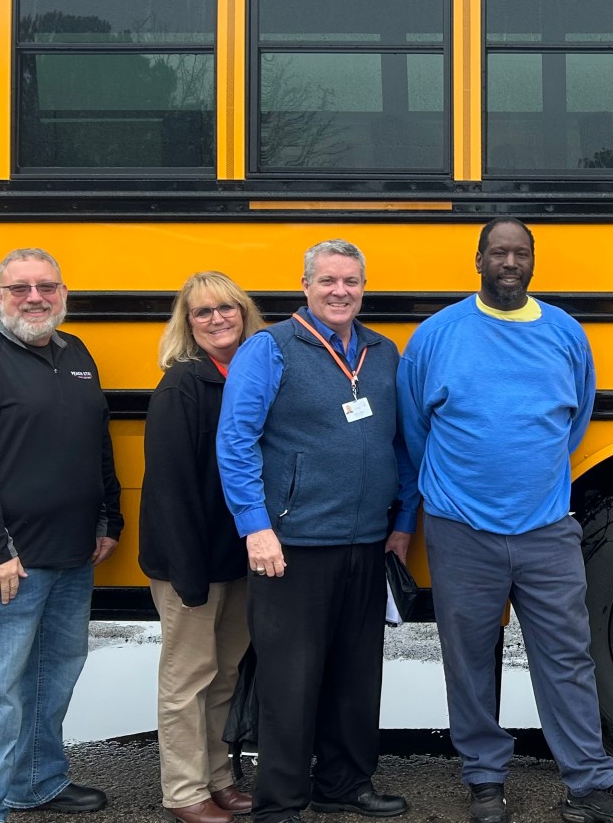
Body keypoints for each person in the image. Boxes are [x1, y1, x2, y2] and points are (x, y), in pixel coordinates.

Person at [394, 219, 613, 823]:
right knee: (469, 657)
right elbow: (413, 435)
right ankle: (485, 781)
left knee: (566, 656)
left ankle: (590, 785)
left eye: (520, 253)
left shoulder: (565, 334)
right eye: (498, 252)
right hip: (460, 531)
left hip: (545, 530)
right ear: (478, 260)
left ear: (533, 263)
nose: (509, 263)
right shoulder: (437, 337)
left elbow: (574, 421)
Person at [217, 239, 416, 823]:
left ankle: (345, 784)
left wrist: (402, 523)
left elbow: (399, 446)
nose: (340, 292)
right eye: (327, 280)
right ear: (305, 286)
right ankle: (280, 802)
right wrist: (255, 527)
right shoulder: (271, 349)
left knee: (357, 678)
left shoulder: (383, 352)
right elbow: (236, 442)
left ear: (363, 288)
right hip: (291, 547)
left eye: (351, 282)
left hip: (365, 543)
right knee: (290, 683)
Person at [0, 248, 122, 823]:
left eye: (47, 287)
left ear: (63, 293)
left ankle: (35, 780)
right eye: (21, 288)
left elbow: (95, 440)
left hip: (70, 552)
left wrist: (107, 518)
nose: (35, 297)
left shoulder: (75, 353)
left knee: (52, 676)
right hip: (3, 562)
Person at [140, 272, 267, 823]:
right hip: (188, 561)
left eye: (226, 308)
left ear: (244, 313)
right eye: (202, 312)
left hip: (237, 557)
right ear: (186, 324)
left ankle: (219, 778)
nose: (217, 319)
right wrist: (187, 572)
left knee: (225, 676)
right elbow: (169, 487)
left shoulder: (252, 375)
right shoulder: (183, 387)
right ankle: (184, 791)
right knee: (186, 679)